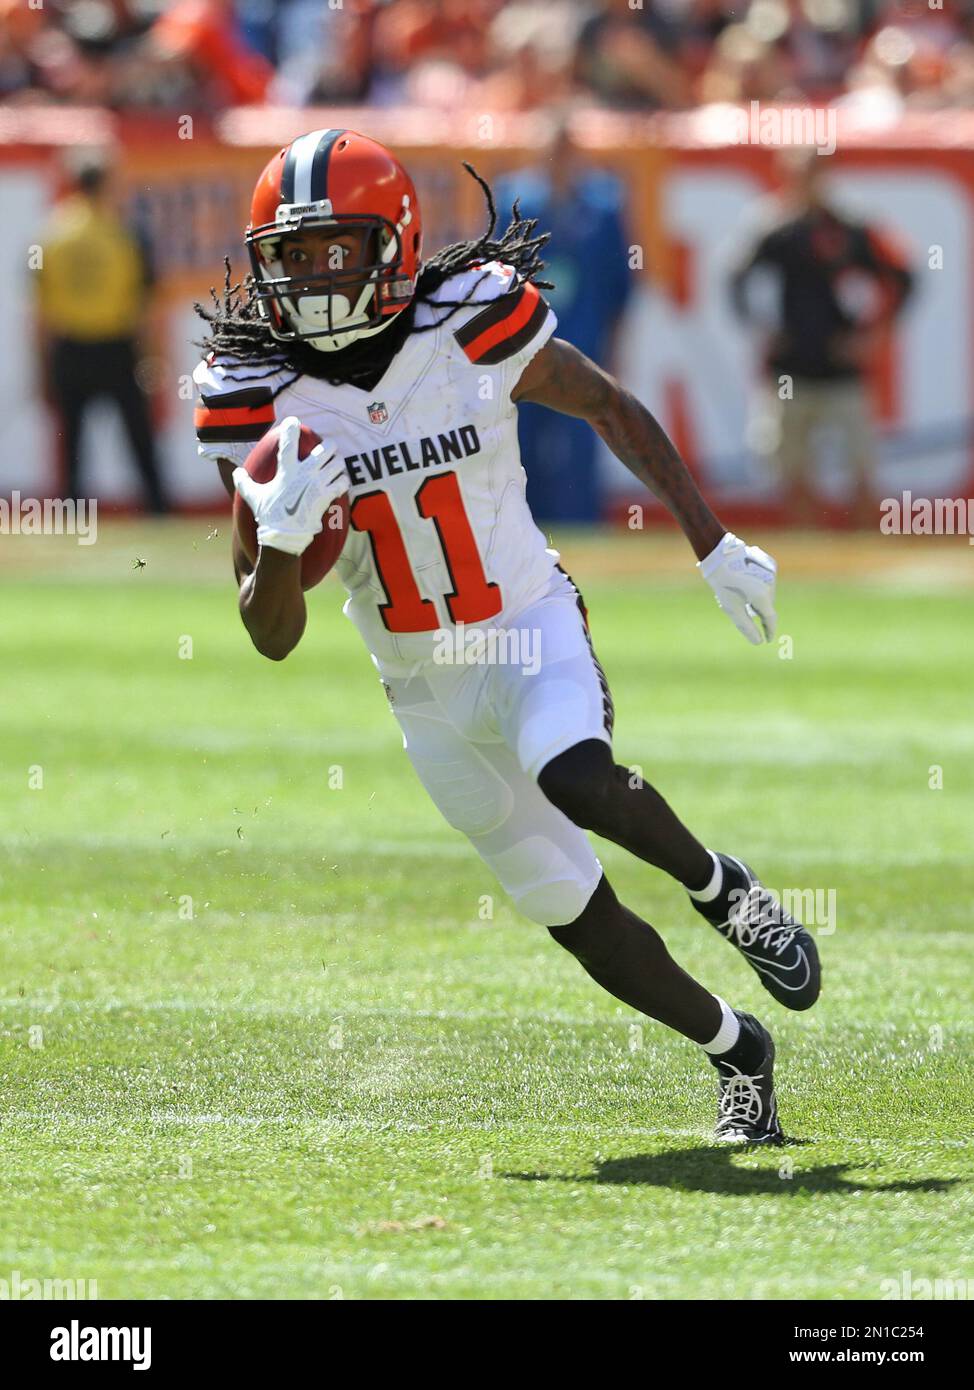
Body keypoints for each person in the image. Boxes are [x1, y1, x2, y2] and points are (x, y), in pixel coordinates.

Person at [194, 129, 822, 1145]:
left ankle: (724, 890)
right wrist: (275, 539)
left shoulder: (469, 324)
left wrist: (708, 543)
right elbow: (269, 635)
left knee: (572, 771)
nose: (308, 278)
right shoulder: (257, 400)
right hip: (422, 694)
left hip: (525, 623)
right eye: (290, 255)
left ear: (393, 243)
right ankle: (735, 1049)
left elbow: (607, 406)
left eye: (332, 250)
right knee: (576, 918)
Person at [732, 148, 914, 526]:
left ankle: (864, 553)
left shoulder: (850, 226)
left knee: (861, 466)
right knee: (790, 469)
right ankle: (809, 554)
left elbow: (903, 275)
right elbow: (735, 280)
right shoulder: (773, 226)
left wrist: (874, 334)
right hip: (789, 370)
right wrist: (760, 329)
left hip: (840, 368)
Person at [494, 122, 633, 522]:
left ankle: (582, 526)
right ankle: (523, 527)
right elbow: (493, 278)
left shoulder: (602, 206)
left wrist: (615, 346)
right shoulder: (513, 202)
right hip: (523, 346)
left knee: (581, 442)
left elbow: (619, 285)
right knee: (521, 443)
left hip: (582, 340)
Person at [34, 155, 168, 513]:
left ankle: (71, 513)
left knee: (71, 443)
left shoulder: (52, 233)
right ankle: (157, 510)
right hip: (117, 347)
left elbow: (40, 311)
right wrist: (155, 358)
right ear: (106, 183)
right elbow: (147, 304)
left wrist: (41, 366)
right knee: (140, 440)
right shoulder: (126, 233)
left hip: (70, 347)